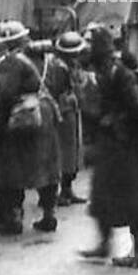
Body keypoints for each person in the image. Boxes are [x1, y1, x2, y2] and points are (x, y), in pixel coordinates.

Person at [80, 26, 138, 268]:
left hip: (125, 145)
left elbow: (136, 106)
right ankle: (105, 244)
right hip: (112, 144)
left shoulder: (119, 73)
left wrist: (117, 122)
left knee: (135, 199)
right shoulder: (105, 71)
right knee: (102, 195)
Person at [0, 21, 60, 235]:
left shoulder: (8, 62)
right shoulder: (42, 56)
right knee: (46, 166)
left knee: (11, 167)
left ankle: (12, 217)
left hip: (22, 118)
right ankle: (49, 214)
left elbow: (1, 96)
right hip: (43, 113)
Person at [47, 31, 88, 206]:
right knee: (65, 152)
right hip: (63, 112)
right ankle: (63, 191)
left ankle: (67, 189)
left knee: (71, 151)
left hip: (68, 110)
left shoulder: (65, 65)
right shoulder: (60, 67)